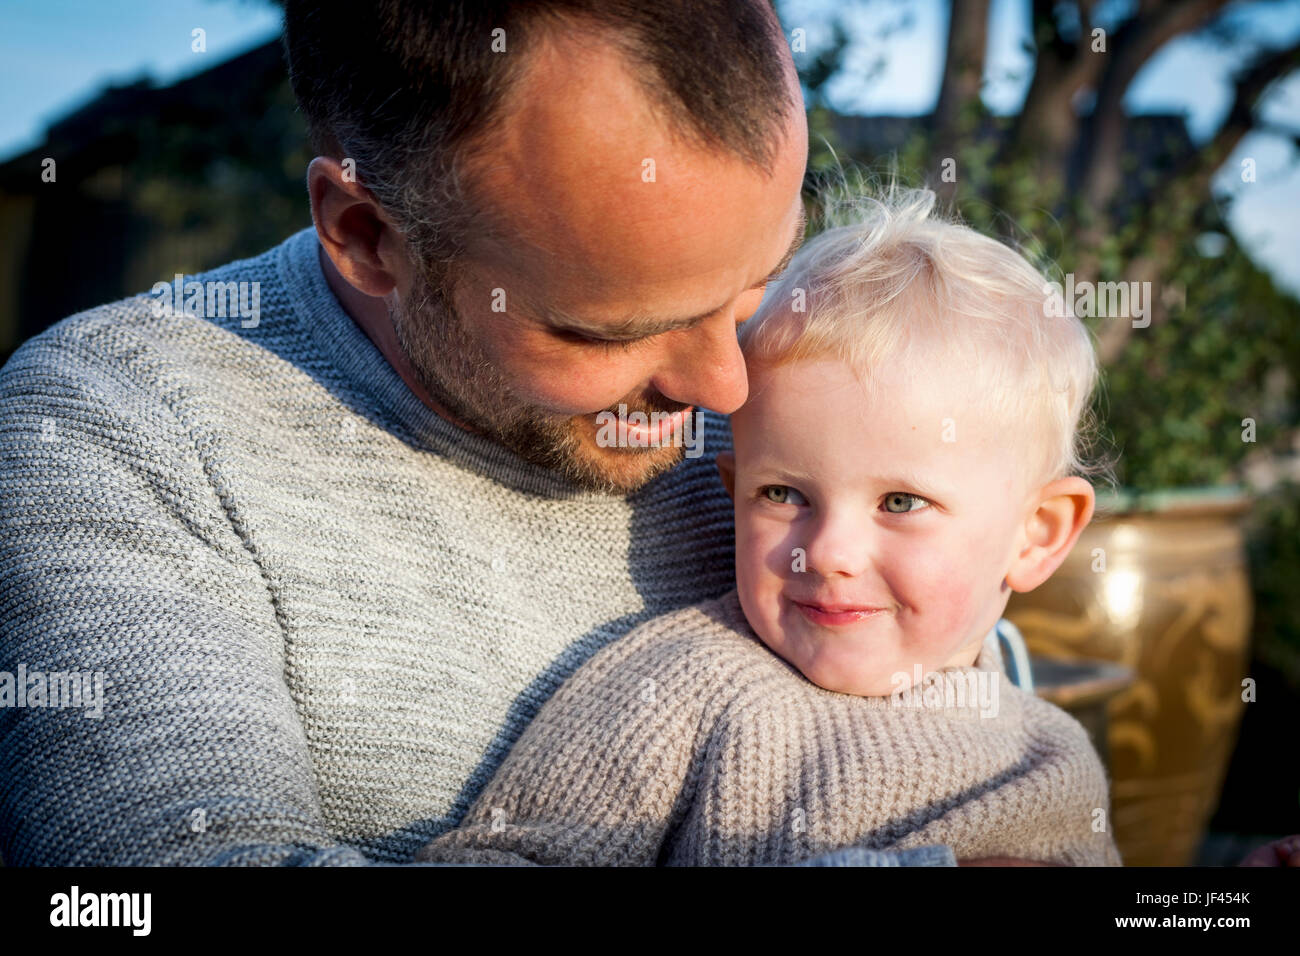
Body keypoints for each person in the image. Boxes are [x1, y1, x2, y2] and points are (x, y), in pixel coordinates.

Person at [0, 1, 951, 866]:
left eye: (755, 281)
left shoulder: (800, 369)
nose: (726, 387)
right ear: (368, 234)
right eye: (608, 331)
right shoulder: (111, 428)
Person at [415, 188, 1125, 865]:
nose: (829, 552)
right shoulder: (676, 691)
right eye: (783, 493)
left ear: (1037, 535)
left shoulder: (1050, 759)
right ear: (733, 493)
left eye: (901, 503)